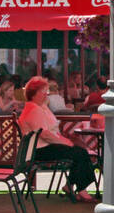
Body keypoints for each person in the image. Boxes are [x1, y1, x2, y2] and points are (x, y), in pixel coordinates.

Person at [19, 76, 97, 204]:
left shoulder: (40, 107)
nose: (47, 94)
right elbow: (44, 134)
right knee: (80, 153)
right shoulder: (34, 110)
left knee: (79, 152)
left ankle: (70, 186)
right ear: (35, 93)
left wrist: (64, 140)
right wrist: (65, 142)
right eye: (44, 91)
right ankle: (81, 190)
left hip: (45, 146)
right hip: (40, 150)